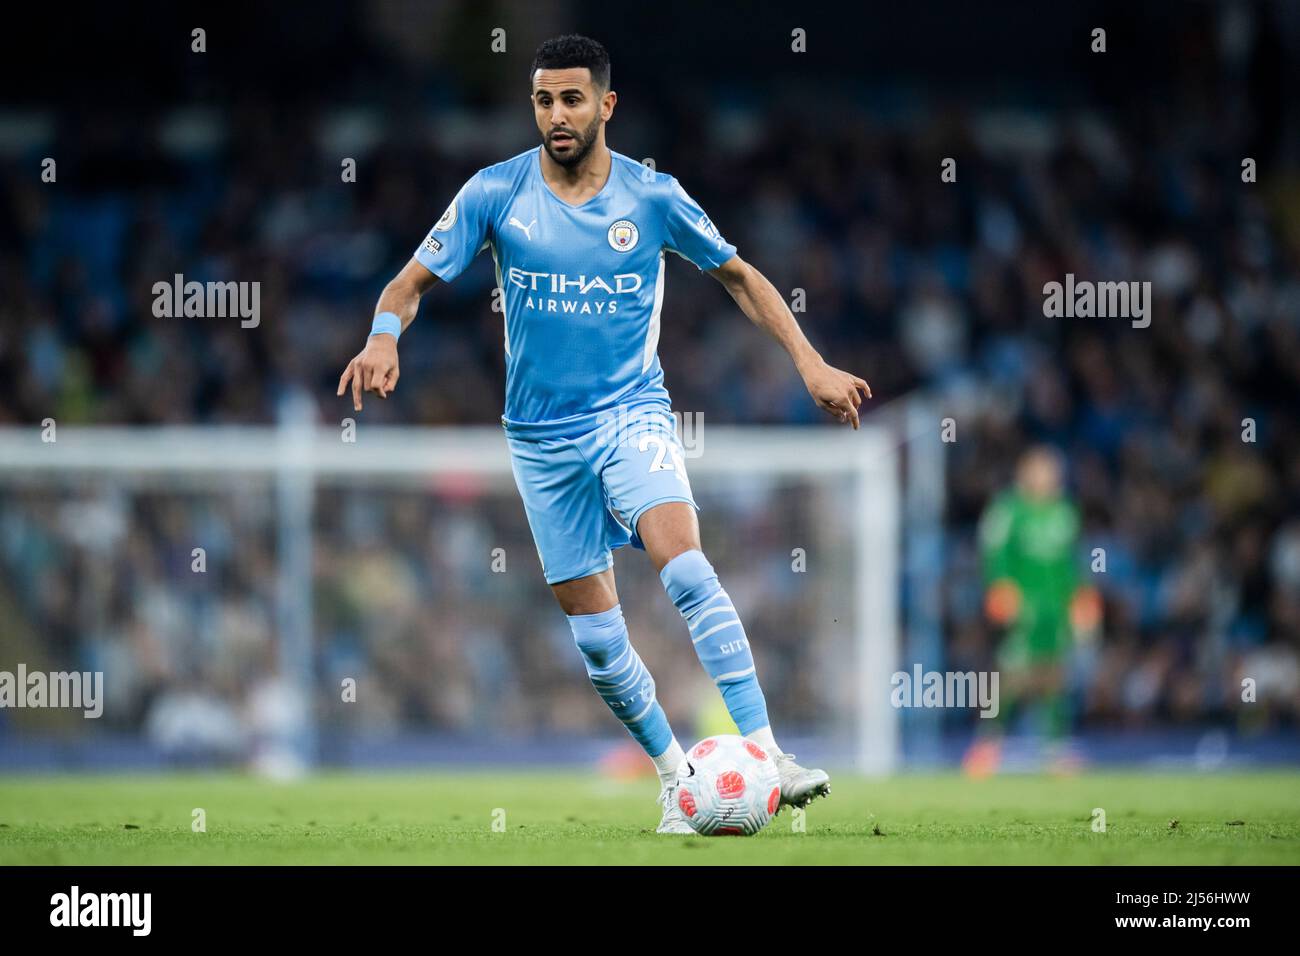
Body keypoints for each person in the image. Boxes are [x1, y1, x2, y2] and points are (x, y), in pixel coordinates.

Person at [337, 34, 870, 832]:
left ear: (605, 105)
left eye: (573, 99)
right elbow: (408, 283)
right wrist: (385, 334)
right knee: (596, 640)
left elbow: (740, 276)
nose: (557, 114)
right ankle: (673, 779)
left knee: (684, 566)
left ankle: (767, 753)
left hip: (631, 415)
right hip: (540, 441)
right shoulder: (494, 192)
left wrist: (812, 364)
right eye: (545, 100)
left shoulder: (652, 198)